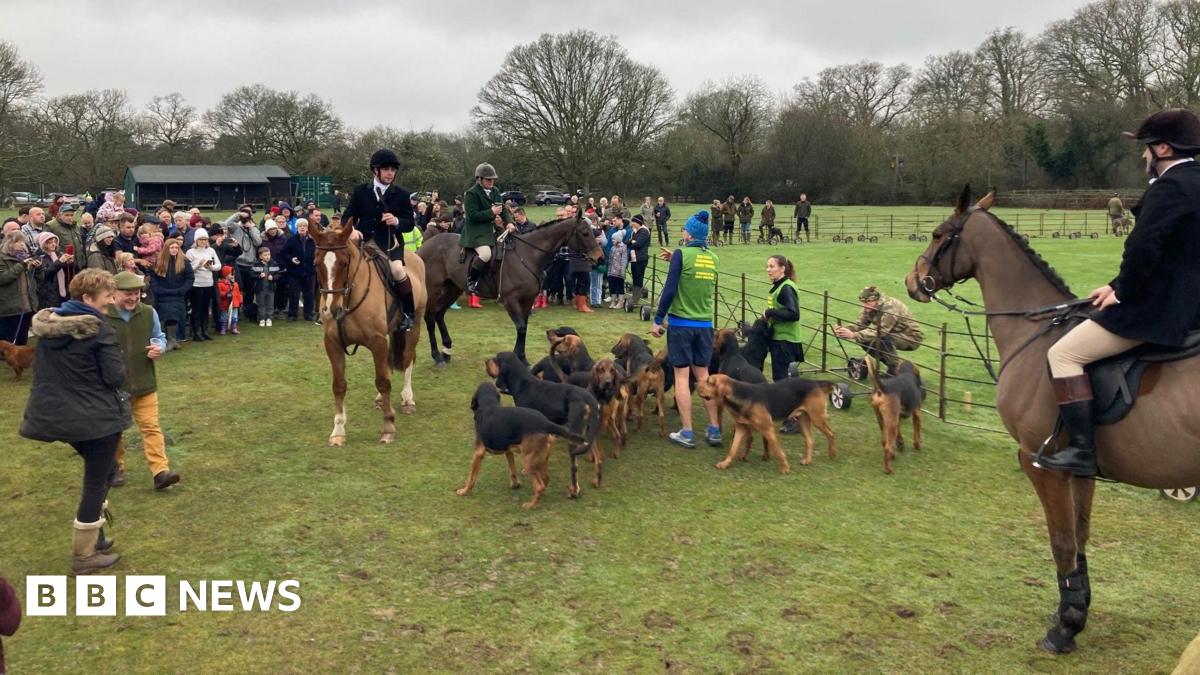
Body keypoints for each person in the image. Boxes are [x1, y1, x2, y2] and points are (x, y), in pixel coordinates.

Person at [1037, 108, 1200, 477]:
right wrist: (1113, 285)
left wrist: (1124, 293)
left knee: (1063, 354)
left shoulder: (1170, 188)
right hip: (1195, 305)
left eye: (1145, 148)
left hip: (1162, 310)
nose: (1142, 155)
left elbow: (1144, 250)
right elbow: (1179, 252)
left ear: (1162, 149)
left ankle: (1081, 451)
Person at [20, 268, 130, 573]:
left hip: (57, 415)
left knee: (107, 470)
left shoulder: (49, 328)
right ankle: (84, 556)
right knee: (97, 480)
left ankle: (95, 536)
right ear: (87, 298)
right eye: (106, 298)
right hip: (94, 418)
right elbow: (115, 376)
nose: (109, 304)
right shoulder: (98, 329)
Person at [651, 211, 722, 448]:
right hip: (705, 325)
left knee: (682, 376)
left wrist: (658, 318)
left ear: (689, 233)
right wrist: (676, 260)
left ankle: (687, 431)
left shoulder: (682, 254)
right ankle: (714, 429)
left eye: (684, 228)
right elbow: (697, 275)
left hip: (681, 324)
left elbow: (670, 289)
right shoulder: (713, 257)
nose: (682, 230)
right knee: (703, 375)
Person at [105, 271, 180, 491]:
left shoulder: (149, 312)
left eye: (137, 293)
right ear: (113, 293)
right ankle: (115, 468)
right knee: (115, 429)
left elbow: (159, 336)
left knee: (151, 426)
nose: (133, 298)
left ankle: (160, 472)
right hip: (114, 387)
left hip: (145, 381)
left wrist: (159, 347)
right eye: (127, 293)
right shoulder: (102, 315)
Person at [341, 148, 418, 329]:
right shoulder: (360, 191)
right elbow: (347, 216)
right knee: (339, 265)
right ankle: (332, 308)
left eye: (393, 170)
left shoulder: (401, 194)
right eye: (386, 169)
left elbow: (410, 223)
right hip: (362, 241)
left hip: (390, 243)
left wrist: (396, 220)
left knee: (398, 271)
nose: (390, 173)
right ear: (376, 171)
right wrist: (351, 229)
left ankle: (408, 314)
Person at [462, 161, 515, 309]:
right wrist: (490, 213)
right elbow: (472, 216)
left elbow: (502, 209)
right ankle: (471, 282)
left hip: (491, 231)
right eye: (488, 179)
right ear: (479, 179)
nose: (491, 182)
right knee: (485, 254)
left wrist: (509, 222)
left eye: (492, 179)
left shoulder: (495, 191)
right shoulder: (472, 193)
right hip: (476, 232)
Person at [834, 285, 924, 372]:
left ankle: (896, 369)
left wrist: (854, 335)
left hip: (911, 337)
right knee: (864, 339)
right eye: (863, 303)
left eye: (867, 303)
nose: (865, 306)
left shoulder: (890, 307)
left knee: (882, 339)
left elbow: (881, 331)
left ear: (877, 301)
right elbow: (859, 325)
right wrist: (845, 330)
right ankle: (893, 366)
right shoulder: (869, 307)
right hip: (892, 333)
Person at [763, 255, 805, 382]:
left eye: (771, 266)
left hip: (785, 340)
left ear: (782, 269)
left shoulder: (786, 288)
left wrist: (770, 312)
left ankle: (785, 401)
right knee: (780, 378)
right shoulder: (780, 286)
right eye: (767, 266)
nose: (768, 270)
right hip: (779, 338)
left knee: (781, 379)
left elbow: (794, 314)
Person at [149, 238, 193, 349]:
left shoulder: (184, 262)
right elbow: (153, 280)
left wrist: (182, 290)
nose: (174, 250)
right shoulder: (158, 262)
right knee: (165, 317)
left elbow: (189, 278)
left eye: (176, 248)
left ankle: (173, 340)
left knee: (176, 316)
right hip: (162, 296)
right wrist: (160, 290)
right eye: (172, 247)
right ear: (166, 248)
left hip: (178, 295)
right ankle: (167, 340)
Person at [222, 206, 263, 322]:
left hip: (250, 264)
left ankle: (248, 311)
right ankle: (236, 311)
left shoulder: (254, 229)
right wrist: (238, 215)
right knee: (237, 288)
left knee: (249, 290)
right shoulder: (236, 228)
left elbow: (258, 241)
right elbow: (227, 223)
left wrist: (251, 229)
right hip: (238, 263)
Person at [0, 231, 39, 344]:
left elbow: (38, 279)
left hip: (26, 304)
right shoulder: (2, 258)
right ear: (10, 244)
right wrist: (21, 265)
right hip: (9, 307)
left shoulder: (26, 257)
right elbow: (3, 278)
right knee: (7, 342)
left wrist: (38, 268)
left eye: (23, 242)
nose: (22, 244)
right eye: (18, 242)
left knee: (22, 340)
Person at [185, 228, 219, 341]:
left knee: (205, 308)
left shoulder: (211, 251)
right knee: (196, 308)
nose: (203, 241)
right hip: (196, 284)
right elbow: (187, 269)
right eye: (201, 239)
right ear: (196, 240)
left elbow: (218, 265)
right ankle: (196, 332)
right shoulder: (190, 252)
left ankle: (205, 331)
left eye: (205, 239)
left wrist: (211, 267)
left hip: (208, 283)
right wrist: (197, 265)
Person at [282, 219, 316, 322]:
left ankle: (308, 314)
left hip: (309, 271)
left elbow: (318, 252)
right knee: (294, 294)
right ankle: (292, 315)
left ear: (307, 228)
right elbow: (284, 253)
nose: (302, 228)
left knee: (309, 294)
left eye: (304, 226)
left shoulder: (312, 240)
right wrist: (291, 259)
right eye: (300, 226)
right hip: (294, 272)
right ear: (297, 228)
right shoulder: (291, 239)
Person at [34, 231, 74, 310]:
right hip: (48, 295)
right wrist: (60, 262)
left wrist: (69, 263)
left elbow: (67, 273)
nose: (54, 244)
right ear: (43, 244)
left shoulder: (59, 254)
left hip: (62, 292)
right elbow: (45, 274)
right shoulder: (39, 258)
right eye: (50, 242)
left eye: (55, 242)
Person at [46, 204, 85, 269]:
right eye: (66, 215)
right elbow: (46, 246)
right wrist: (61, 258)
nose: (70, 217)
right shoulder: (51, 226)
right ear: (59, 215)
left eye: (71, 215)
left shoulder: (75, 225)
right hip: (62, 265)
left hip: (78, 264)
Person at [251, 246, 281, 328]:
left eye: (269, 254)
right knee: (261, 304)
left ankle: (269, 319)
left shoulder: (274, 263)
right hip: (260, 289)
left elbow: (278, 274)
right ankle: (261, 319)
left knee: (270, 304)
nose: (267, 256)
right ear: (260, 256)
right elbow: (252, 274)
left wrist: (273, 277)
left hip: (270, 288)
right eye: (265, 255)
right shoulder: (256, 264)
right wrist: (259, 276)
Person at [627, 214, 652, 309]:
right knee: (635, 278)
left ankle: (636, 299)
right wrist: (632, 242)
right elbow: (630, 242)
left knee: (638, 278)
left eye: (633, 222)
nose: (632, 223)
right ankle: (635, 297)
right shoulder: (635, 231)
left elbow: (639, 244)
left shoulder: (644, 231)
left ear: (638, 222)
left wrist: (632, 242)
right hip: (634, 258)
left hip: (641, 258)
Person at [216, 265, 243, 335]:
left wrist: (240, 301)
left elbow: (238, 293)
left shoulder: (235, 284)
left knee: (234, 316)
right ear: (226, 274)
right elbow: (220, 293)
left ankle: (234, 328)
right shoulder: (220, 284)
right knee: (224, 316)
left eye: (234, 274)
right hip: (225, 303)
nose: (233, 276)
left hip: (235, 303)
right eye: (231, 274)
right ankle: (223, 328)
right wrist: (226, 294)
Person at [606, 229, 629, 308]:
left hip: (619, 272)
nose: (612, 240)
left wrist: (622, 271)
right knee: (612, 286)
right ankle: (613, 301)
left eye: (614, 239)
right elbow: (610, 260)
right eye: (612, 239)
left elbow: (624, 260)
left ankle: (620, 302)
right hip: (611, 271)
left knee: (620, 287)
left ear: (618, 239)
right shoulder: (612, 248)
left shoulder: (623, 247)